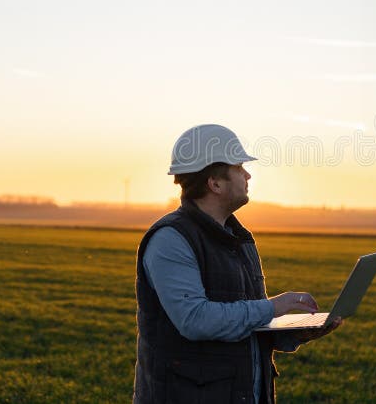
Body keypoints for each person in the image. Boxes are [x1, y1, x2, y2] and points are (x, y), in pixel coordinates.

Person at [133, 124, 340, 404]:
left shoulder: (240, 239)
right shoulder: (171, 239)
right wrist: (273, 306)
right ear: (215, 183)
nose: (248, 174)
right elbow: (195, 321)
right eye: (239, 167)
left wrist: (298, 331)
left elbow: (246, 323)